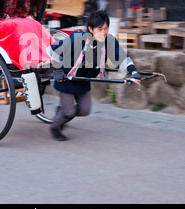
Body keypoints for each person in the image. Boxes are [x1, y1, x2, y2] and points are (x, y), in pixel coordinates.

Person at [47, 10, 141, 141]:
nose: (103, 32)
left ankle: (62, 111)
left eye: (106, 28)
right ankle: (55, 126)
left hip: (84, 79)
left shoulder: (109, 41)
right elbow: (52, 51)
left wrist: (133, 71)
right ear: (90, 29)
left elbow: (121, 57)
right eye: (99, 28)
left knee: (85, 110)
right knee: (69, 112)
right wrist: (57, 70)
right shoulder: (77, 39)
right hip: (66, 78)